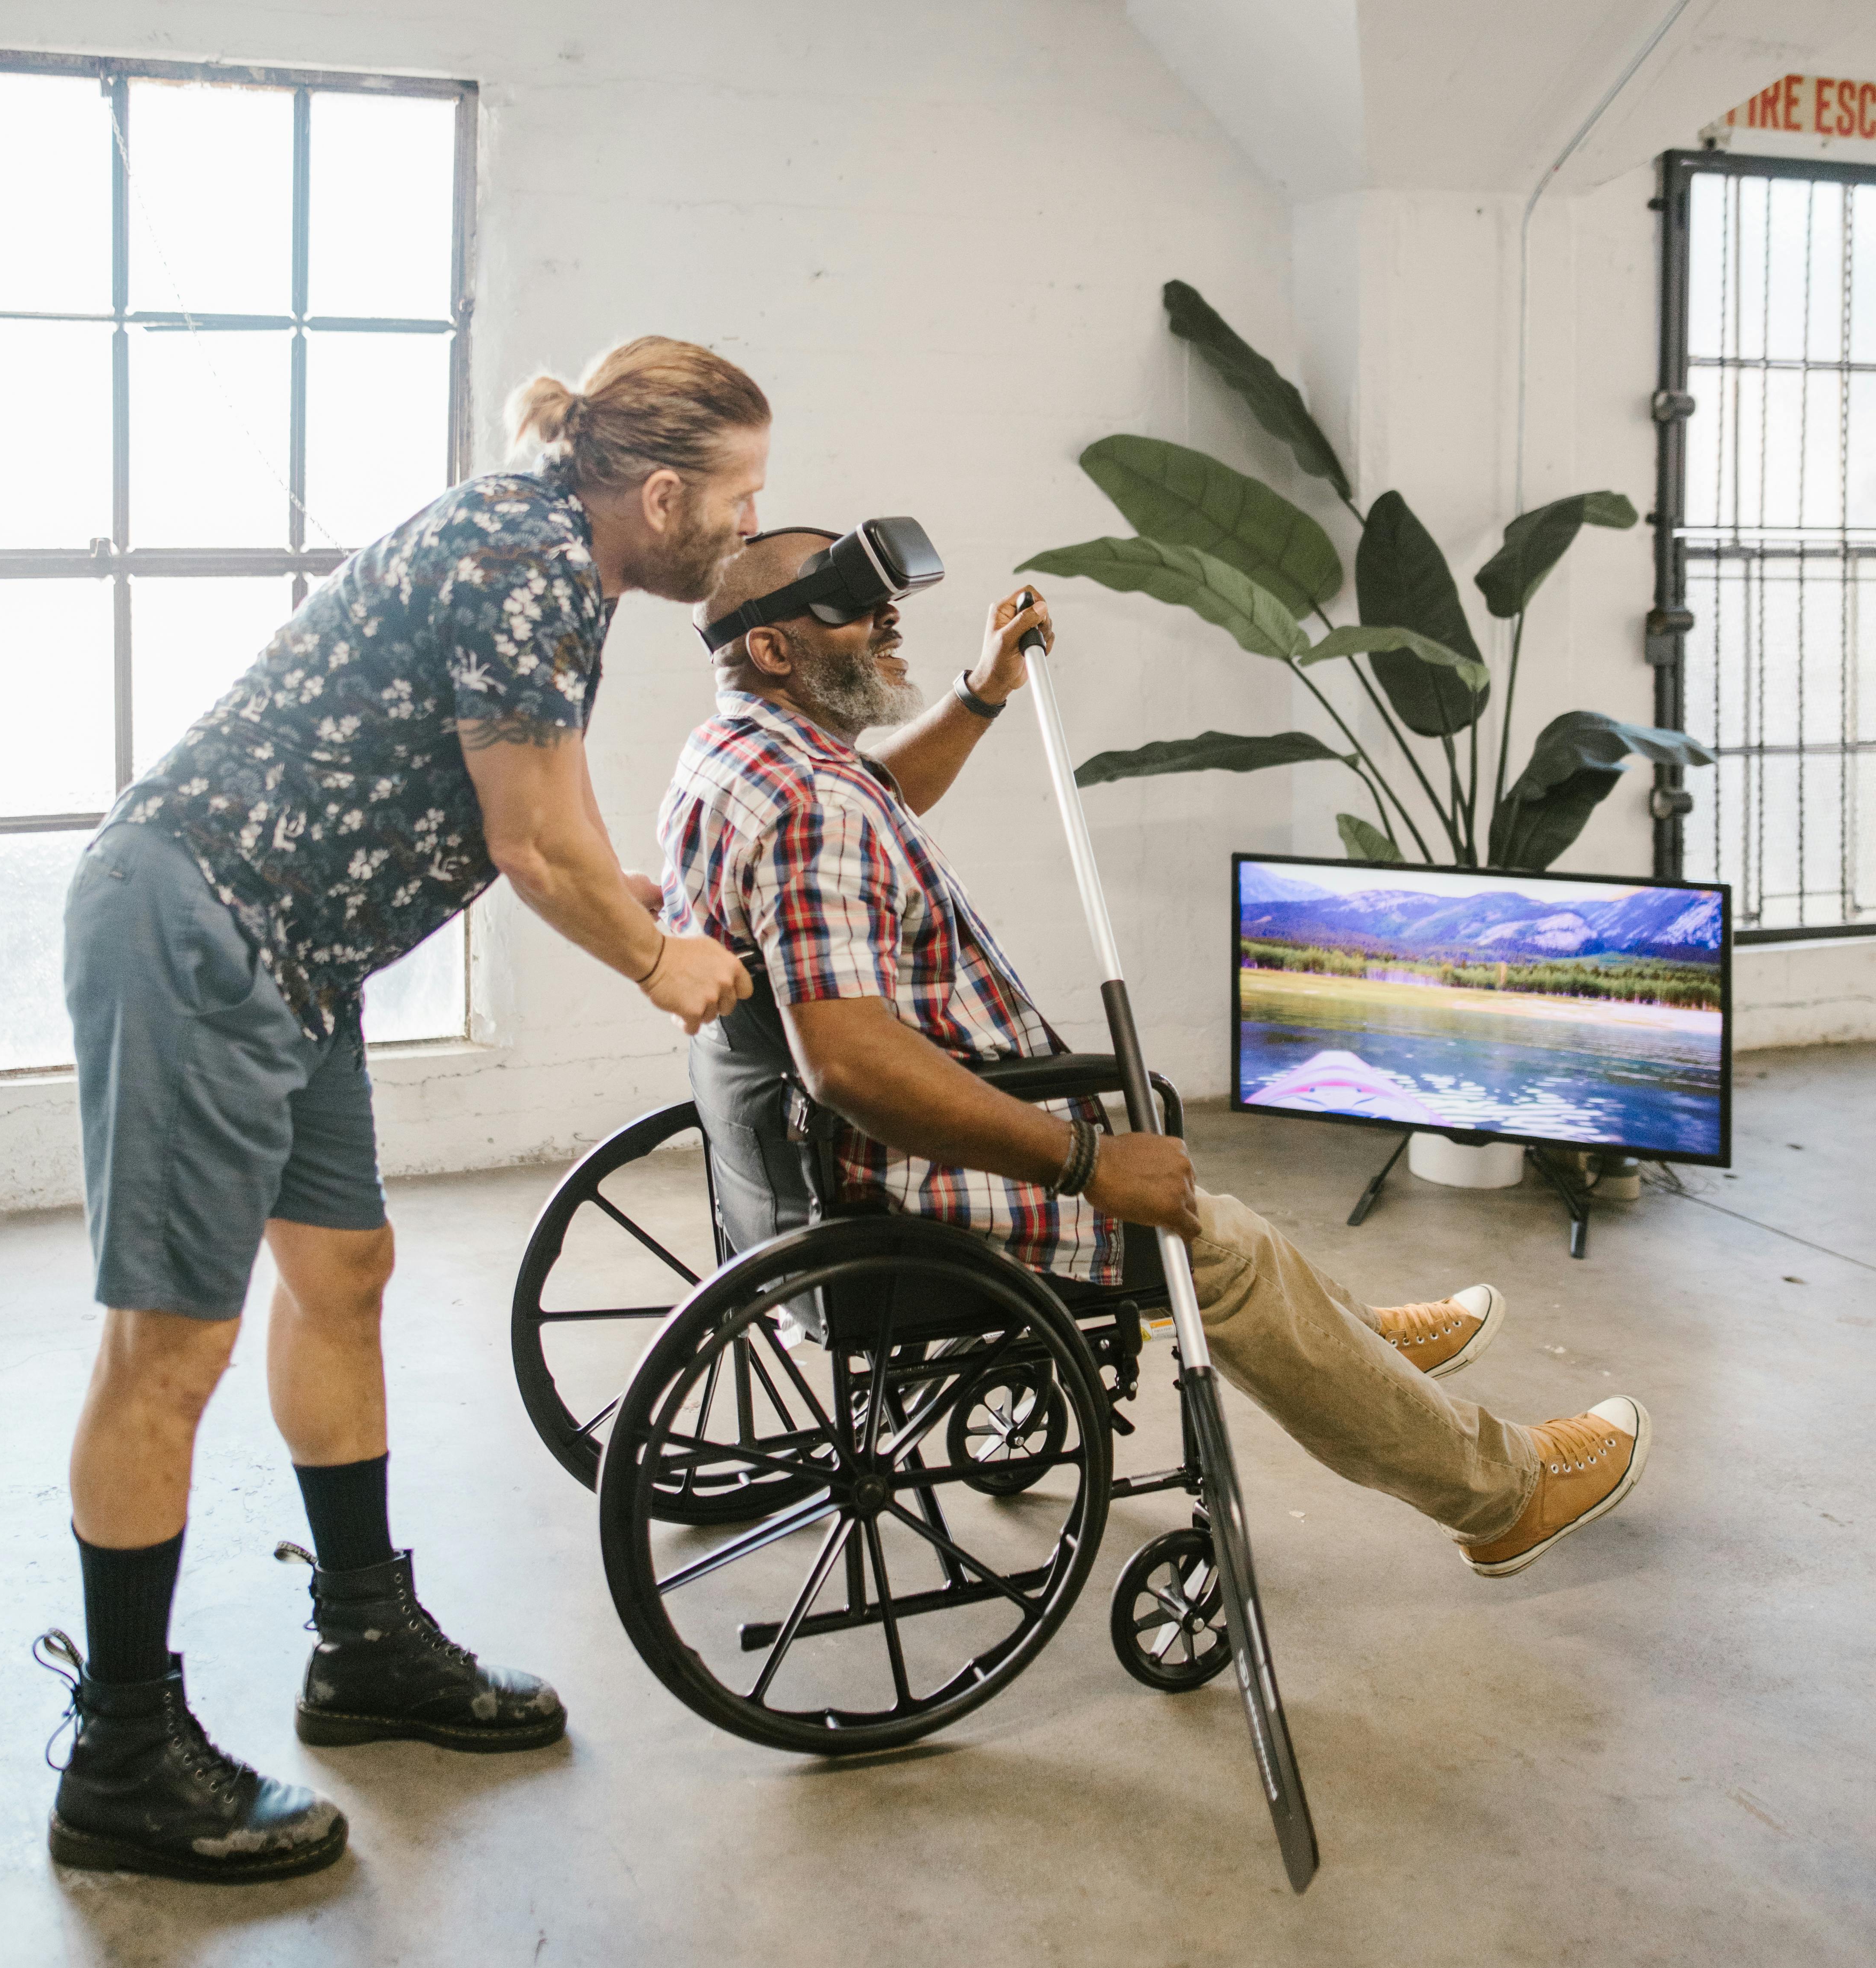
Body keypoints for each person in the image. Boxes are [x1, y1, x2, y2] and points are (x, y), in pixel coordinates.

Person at [42, 337, 763, 1886]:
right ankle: (118, 1758)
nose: (750, 520)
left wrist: (617, 887)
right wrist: (657, 958)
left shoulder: (556, 561)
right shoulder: (524, 559)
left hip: (295, 952)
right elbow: (528, 845)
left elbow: (551, 803)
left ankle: (364, 1643)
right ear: (661, 494)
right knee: (170, 1345)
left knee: (346, 1277)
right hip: (198, 926)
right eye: (742, 493)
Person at [657, 530, 1651, 1594]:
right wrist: (1085, 1164)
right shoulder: (814, 805)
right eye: (855, 604)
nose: (891, 619)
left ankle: (1355, 1339)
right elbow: (852, 1063)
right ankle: (1499, 1497)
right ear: (771, 648)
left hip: (802, 1171)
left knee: (1204, 1208)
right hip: (913, 1180)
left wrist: (983, 693)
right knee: (1209, 1244)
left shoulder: (744, 759)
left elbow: (876, 802)